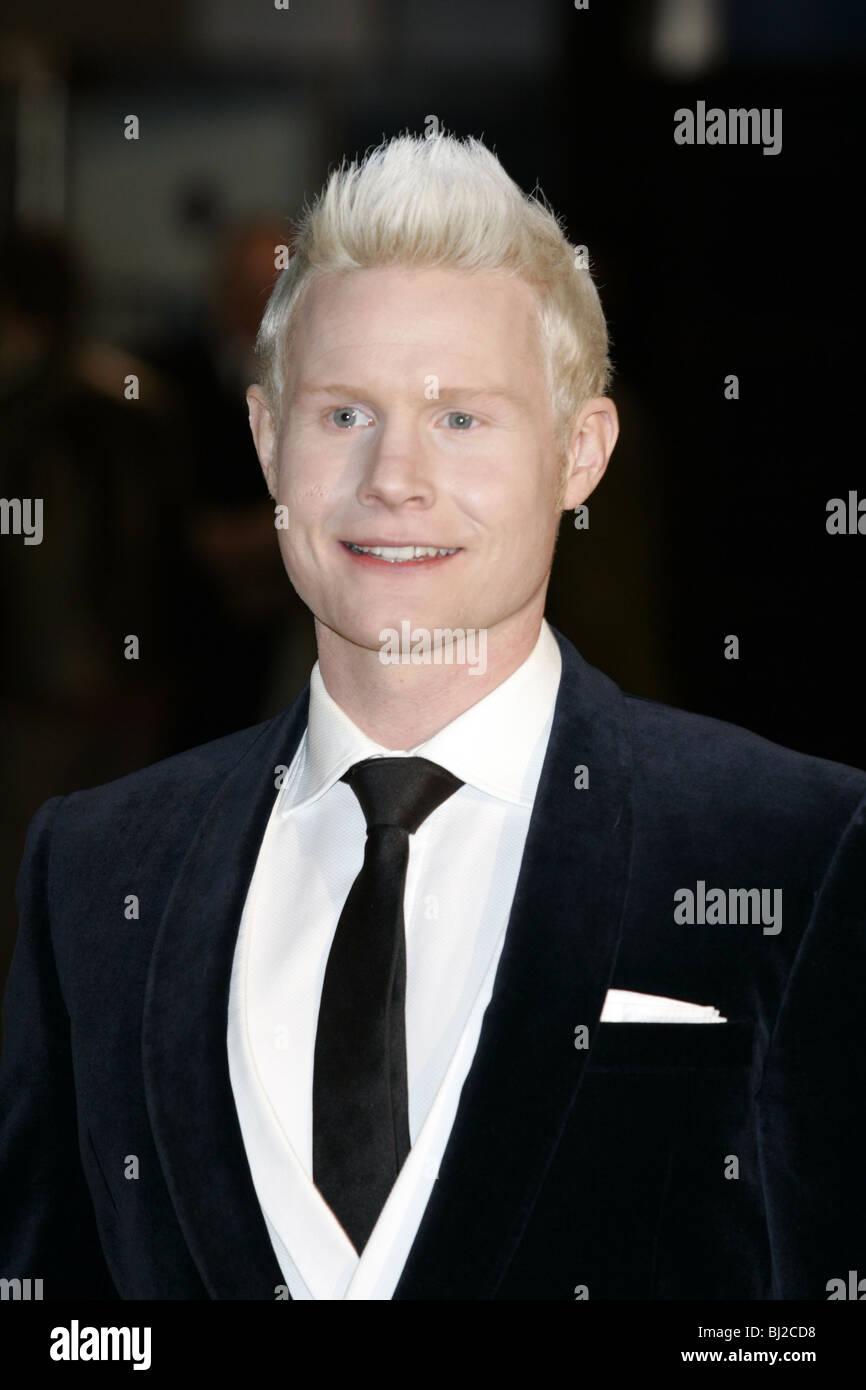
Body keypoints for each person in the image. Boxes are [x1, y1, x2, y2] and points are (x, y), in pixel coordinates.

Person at [1, 132, 863, 1302]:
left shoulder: (791, 845)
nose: (392, 475)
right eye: (343, 414)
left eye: (461, 418)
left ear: (579, 452)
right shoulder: (92, 870)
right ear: (267, 440)